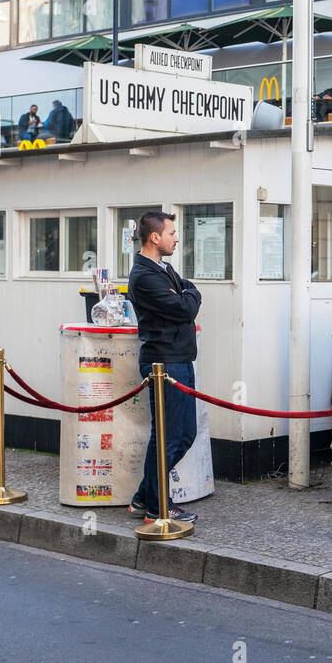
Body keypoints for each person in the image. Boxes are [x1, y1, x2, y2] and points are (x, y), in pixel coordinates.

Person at [127, 211, 201, 524]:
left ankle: (144, 498)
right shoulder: (145, 276)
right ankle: (158, 507)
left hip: (178, 358)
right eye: (171, 232)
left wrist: (188, 292)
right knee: (171, 436)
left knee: (182, 433)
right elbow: (185, 307)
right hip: (165, 361)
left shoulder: (162, 268)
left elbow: (187, 292)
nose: (176, 237)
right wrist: (189, 295)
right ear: (155, 237)